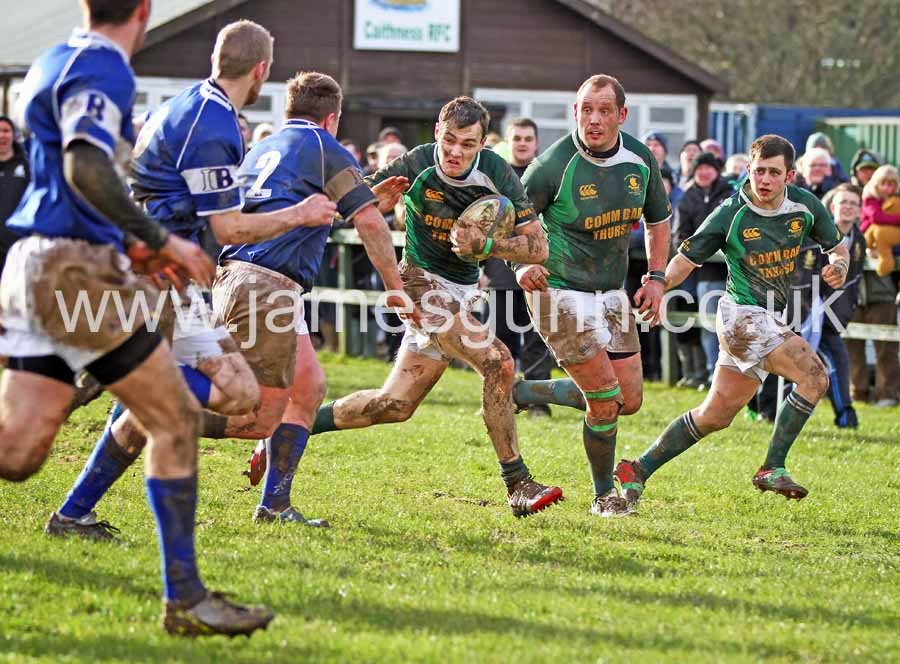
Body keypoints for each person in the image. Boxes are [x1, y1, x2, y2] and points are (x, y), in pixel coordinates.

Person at [0, 0, 273, 636]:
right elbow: (84, 164)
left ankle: (92, 519)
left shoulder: (46, 61)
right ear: (145, 11)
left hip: (35, 262)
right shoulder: (109, 68)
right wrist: (156, 238)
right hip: (78, 266)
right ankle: (186, 600)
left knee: (17, 453)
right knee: (173, 417)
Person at [47, 21, 336, 538]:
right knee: (221, 391)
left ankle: (74, 512)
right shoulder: (215, 125)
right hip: (150, 279)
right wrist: (301, 213)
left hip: (166, 281)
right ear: (261, 71)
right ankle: (120, 381)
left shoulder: (184, 104)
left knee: (238, 391)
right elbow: (229, 226)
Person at [307, 96, 564, 518]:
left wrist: (488, 245)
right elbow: (344, 209)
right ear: (436, 134)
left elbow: (538, 247)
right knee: (498, 361)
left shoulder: (497, 172)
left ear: (483, 143)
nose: (456, 152)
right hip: (419, 283)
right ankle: (518, 483)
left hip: (462, 292)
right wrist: (371, 202)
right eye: (449, 141)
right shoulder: (415, 163)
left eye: (467, 143)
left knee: (394, 406)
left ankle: (291, 429)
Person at [204, 72, 419, 524]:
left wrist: (364, 197)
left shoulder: (262, 149)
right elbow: (372, 225)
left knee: (308, 389)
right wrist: (395, 289)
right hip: (268, 287)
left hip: (241, 278)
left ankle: (275, 504)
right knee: (262, 416)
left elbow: (297, 215)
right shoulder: (325, 147)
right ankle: (155, 416)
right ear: (333, 117)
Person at [615, 134, 849, 507]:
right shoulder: (731, 212)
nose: (765, 180)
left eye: (774, 172)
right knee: (815, 376)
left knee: (715, 415)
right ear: (748, 171)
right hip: (742, 318)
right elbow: (686, 258)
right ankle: (772, 466)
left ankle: (638, 469)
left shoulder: (805, 206)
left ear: (790, 175)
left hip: (766, 319)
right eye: (758, 171)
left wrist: (839, 265)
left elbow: (838, 247)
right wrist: (658, 284)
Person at [514, 75, 672, 517]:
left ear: (622, 115)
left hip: (612, 291)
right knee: (604, 401)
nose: (594, 119)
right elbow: (514, 223)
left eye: (604, 110)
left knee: (629, 400)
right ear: (575, 112)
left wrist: (656, 278)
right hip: (558, 291)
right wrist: (522, 265)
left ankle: (526, 391)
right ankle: (604, 497)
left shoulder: (639, 160)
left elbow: (659, 221)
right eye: (586, 109)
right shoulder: (551, 165)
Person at [792, 184, 866, 427]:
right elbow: (802, 278)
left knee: (837, 361)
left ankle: (845, 416)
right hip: (803, 313)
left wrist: (843, 312)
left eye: (853, 204)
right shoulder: (818, 235)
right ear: (832, 207)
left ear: (859, 211)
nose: (847, 208)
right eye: (843, 202)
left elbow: (852, 283)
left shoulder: (858, 240)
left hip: (831, 316)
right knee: (786, 365)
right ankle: (765, 408)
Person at [674, 151, 734, 389]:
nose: (704, 172)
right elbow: (680, 235)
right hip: (705, 273)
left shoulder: (730, 195)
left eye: (709, 167)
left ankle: (734, 376)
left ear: (716, 170)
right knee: (710, 325)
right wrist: (699, 253)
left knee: (734, 327)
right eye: (700, 168)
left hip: (732, 272)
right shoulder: (689, 198)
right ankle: (712, 374)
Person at [0, 115, 29, 275]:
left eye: (6, 131)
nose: (2, 135)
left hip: (14, 248)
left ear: (13, 135)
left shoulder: (26, 166)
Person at [859, 164, 900, 276]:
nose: (887, 188)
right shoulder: (870, 198)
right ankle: (878, 255)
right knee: (879, 233)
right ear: (876, 183)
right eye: (883, 184)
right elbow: (876, 217)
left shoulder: (893, 198)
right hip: (869, 232)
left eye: (891, 184)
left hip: (889, 234)